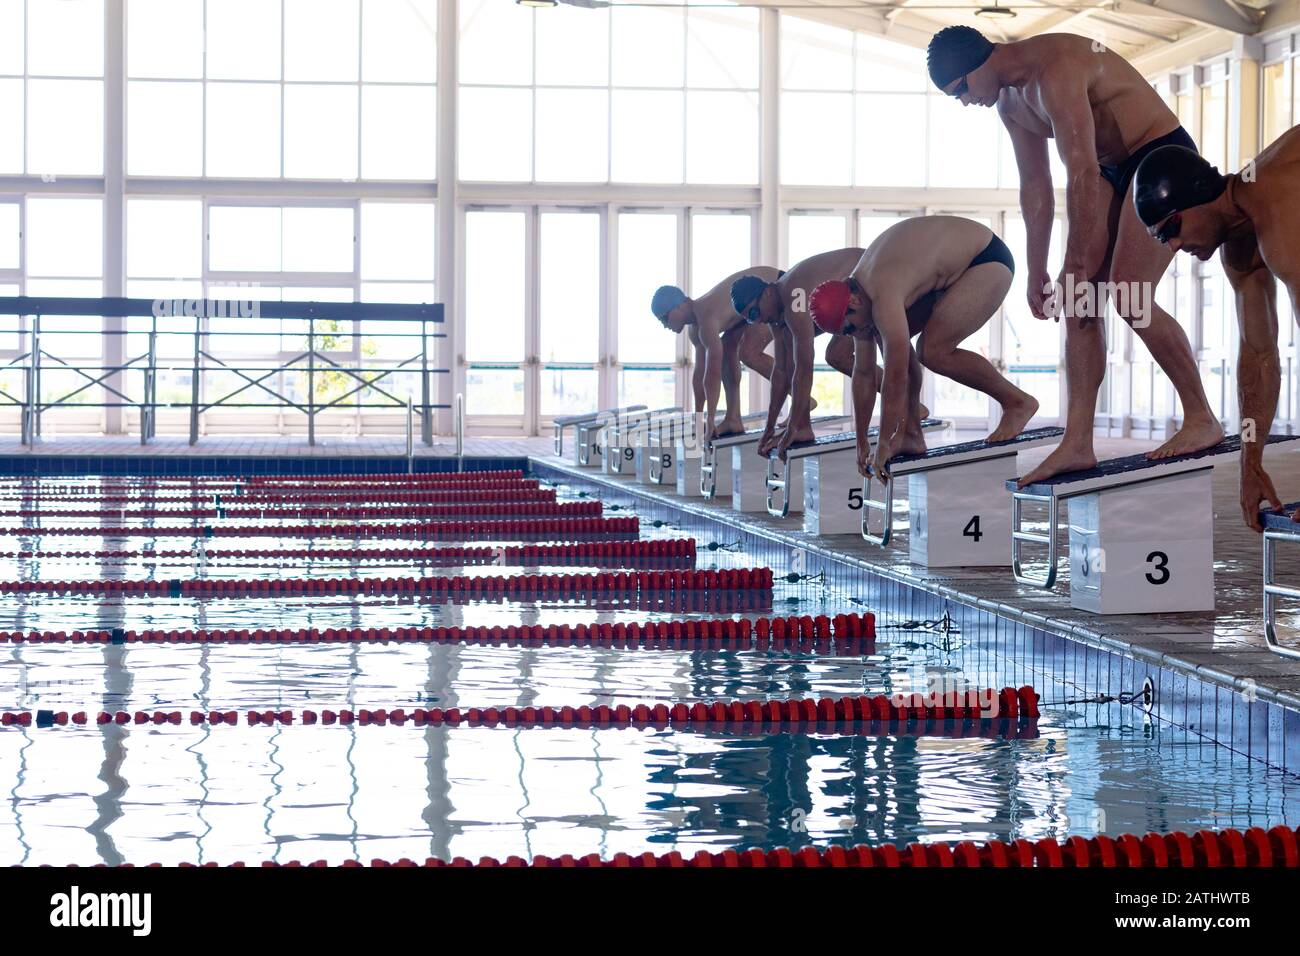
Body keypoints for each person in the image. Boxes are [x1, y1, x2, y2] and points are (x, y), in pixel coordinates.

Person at [926, 26, 1223, 488]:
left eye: (961, 88)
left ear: (979, 61)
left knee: (1129, 295)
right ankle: (1078, 441)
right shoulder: (1008, 103)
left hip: (1162, 154)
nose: (964, 100)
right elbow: (1035, 187)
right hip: (1109, 167)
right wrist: (1038, 266)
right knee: (1079, 299)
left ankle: (1202, 416)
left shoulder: (1056, 67)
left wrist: (1075, 259)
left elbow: (1079, 168)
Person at [1133, 133, 1300, 531]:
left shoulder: (1275, 200)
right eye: (1161, 237)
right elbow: (1258, 356)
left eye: (1171, 227)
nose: (1172, 246)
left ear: (1199, 195)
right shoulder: (1239, 248)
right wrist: (1250, 459)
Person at [808, 216, 1038, 478]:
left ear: (855, 303)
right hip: (945, 271)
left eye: (849, 329)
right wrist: (861, 442)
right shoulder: (860, 295)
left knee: (932, 351)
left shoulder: (882, 293)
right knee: (897, 346)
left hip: (985, 259)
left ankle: (1017, 402)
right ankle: (912, 434)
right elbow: (863, 375)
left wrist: (883, 443)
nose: (853, 334)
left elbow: (895, 375)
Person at [729, 251, 874, 460]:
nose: (758, 320)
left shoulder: (792, 296)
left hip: (868, 276)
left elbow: (804, 368)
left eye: (754, 313)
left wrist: (792, 426)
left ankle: (909, 406)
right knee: (796, 344)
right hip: (849, 287)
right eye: (751, 320)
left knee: (836, 355)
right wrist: (769, 428)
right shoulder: (776, 317)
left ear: (767, 293)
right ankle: (802, 426)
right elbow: (780, 373)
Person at [651, 270, 777, 441]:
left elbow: (713, 372)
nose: (665, 326)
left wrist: (710, 419)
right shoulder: (694, 330)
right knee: (728, 347)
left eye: (664, 319)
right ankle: (733, 418)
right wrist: (698, 418)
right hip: (748, 301)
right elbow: (700, 374)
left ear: (681, 305)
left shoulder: (706, 320)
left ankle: (802, 400)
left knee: (748, 354)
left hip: (772, 286)